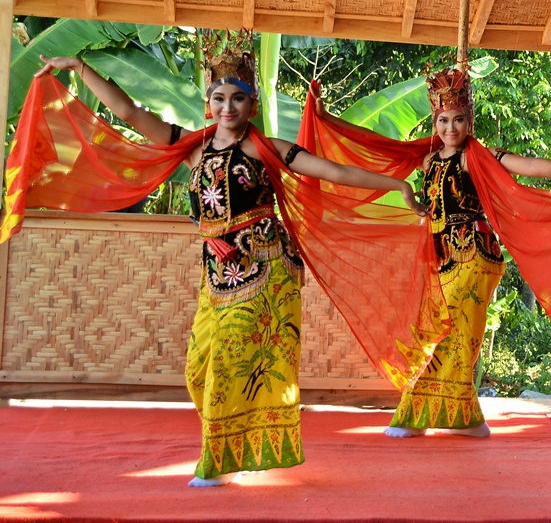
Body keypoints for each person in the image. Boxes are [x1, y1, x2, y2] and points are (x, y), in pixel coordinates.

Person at [34, 32, 429, 487]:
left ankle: (218, 462)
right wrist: (79, 69)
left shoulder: (269, 150)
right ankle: (239, 441)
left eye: (238, 98)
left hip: (265, 270)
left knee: (228, 363)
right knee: (198, 368)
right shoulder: (193, 149)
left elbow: (335, 172)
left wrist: (397, 186)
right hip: (216, 275)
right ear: (208, 102)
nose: (228, 107)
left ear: (252, 104)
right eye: (219, 97)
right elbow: (131, 113)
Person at [306, 65, 551, 440]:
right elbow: (375, 144)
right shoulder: (429, 158)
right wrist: (327, 118)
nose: (451, 128)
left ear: (470, 120)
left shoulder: (476, 156)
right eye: (443, 120)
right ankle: (457, 415)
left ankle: (434, 415)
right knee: (433, 334)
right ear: (435, 122)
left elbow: (526, 165)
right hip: (441, 259)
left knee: (453, 337)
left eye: (459, 120)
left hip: (473, 257)